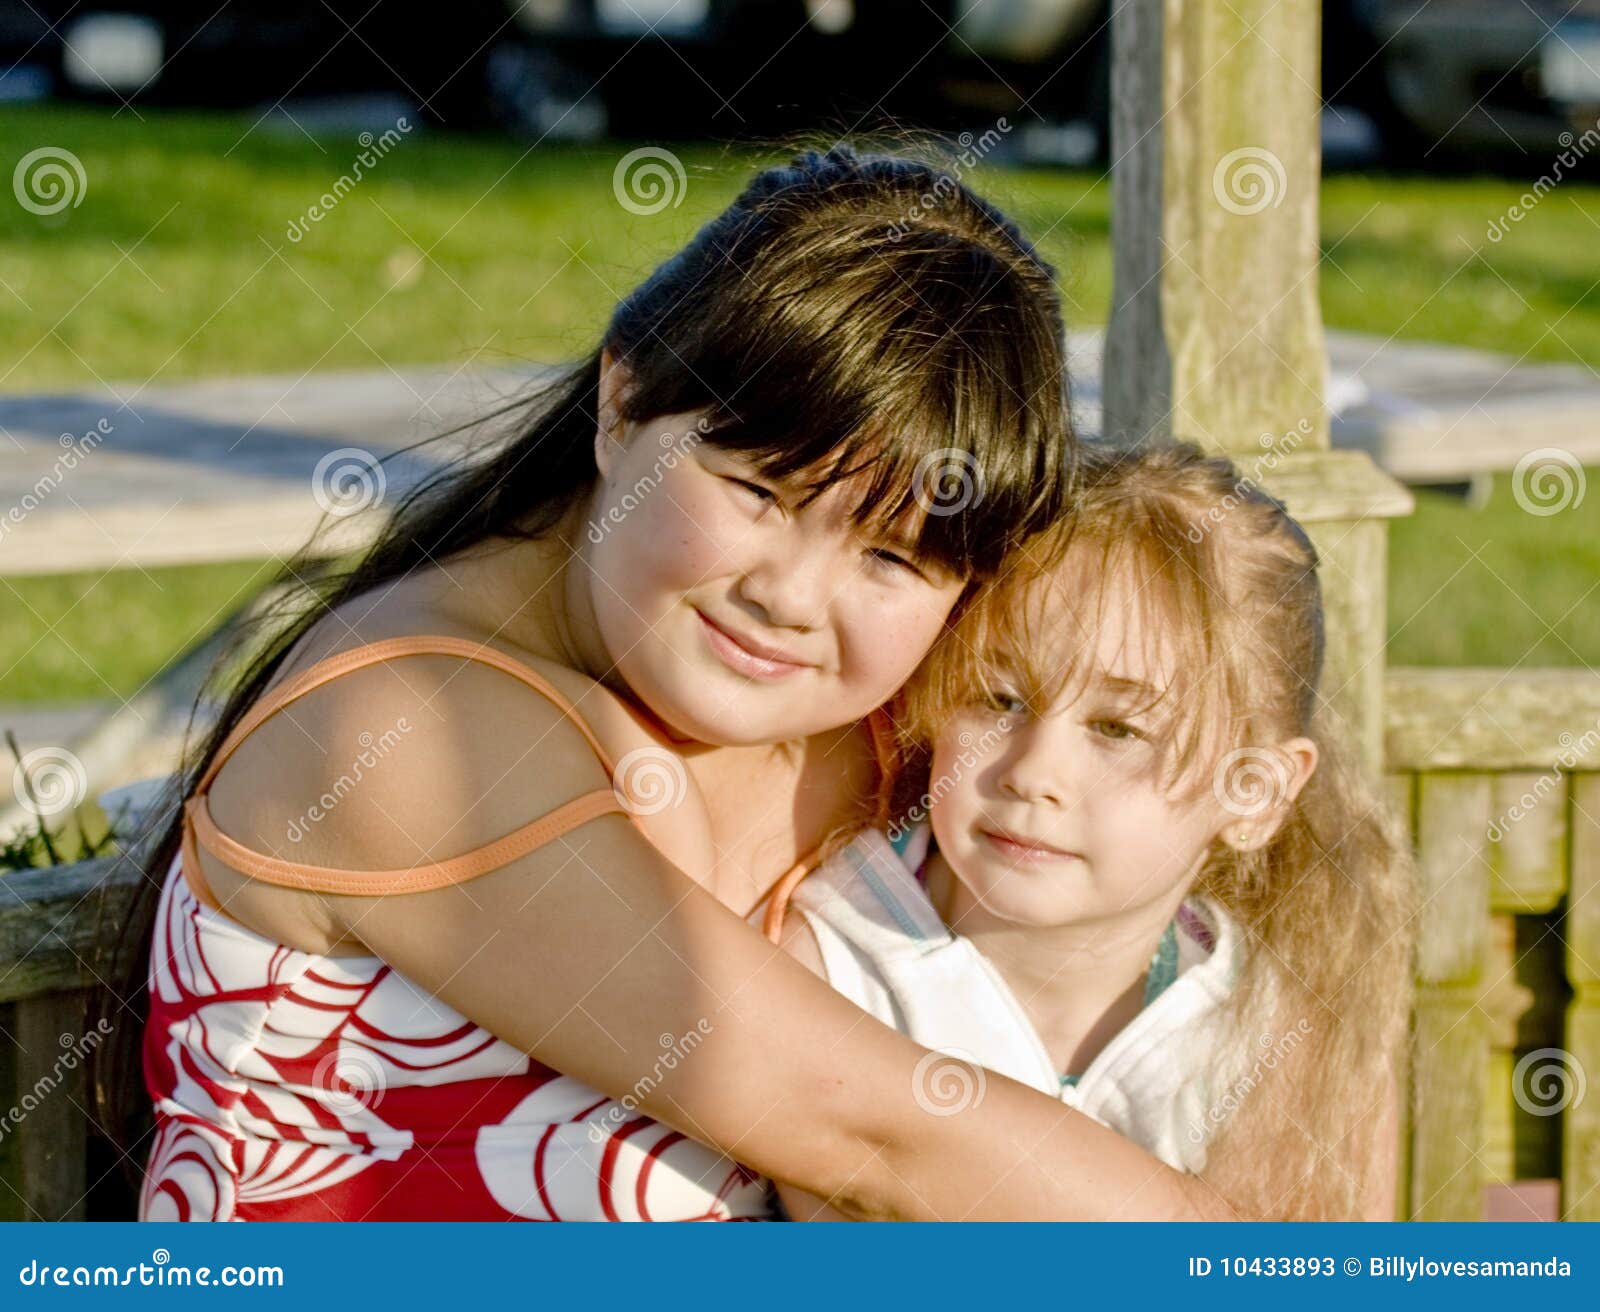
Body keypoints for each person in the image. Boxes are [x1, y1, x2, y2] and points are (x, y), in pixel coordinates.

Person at [101, 141, 1231, 1221]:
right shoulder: (405, 729)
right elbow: (873, 1137)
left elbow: (1298, 882)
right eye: (758, 492)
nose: (791, 596)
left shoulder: (861, 719)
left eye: (888, 558)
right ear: (620, 404)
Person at [772, 440, 1416, 1223]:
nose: (1035, 772)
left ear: (1254, 793)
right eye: (1000, 700)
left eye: (1118, 728)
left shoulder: (1275, 1041)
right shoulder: (832, 965)